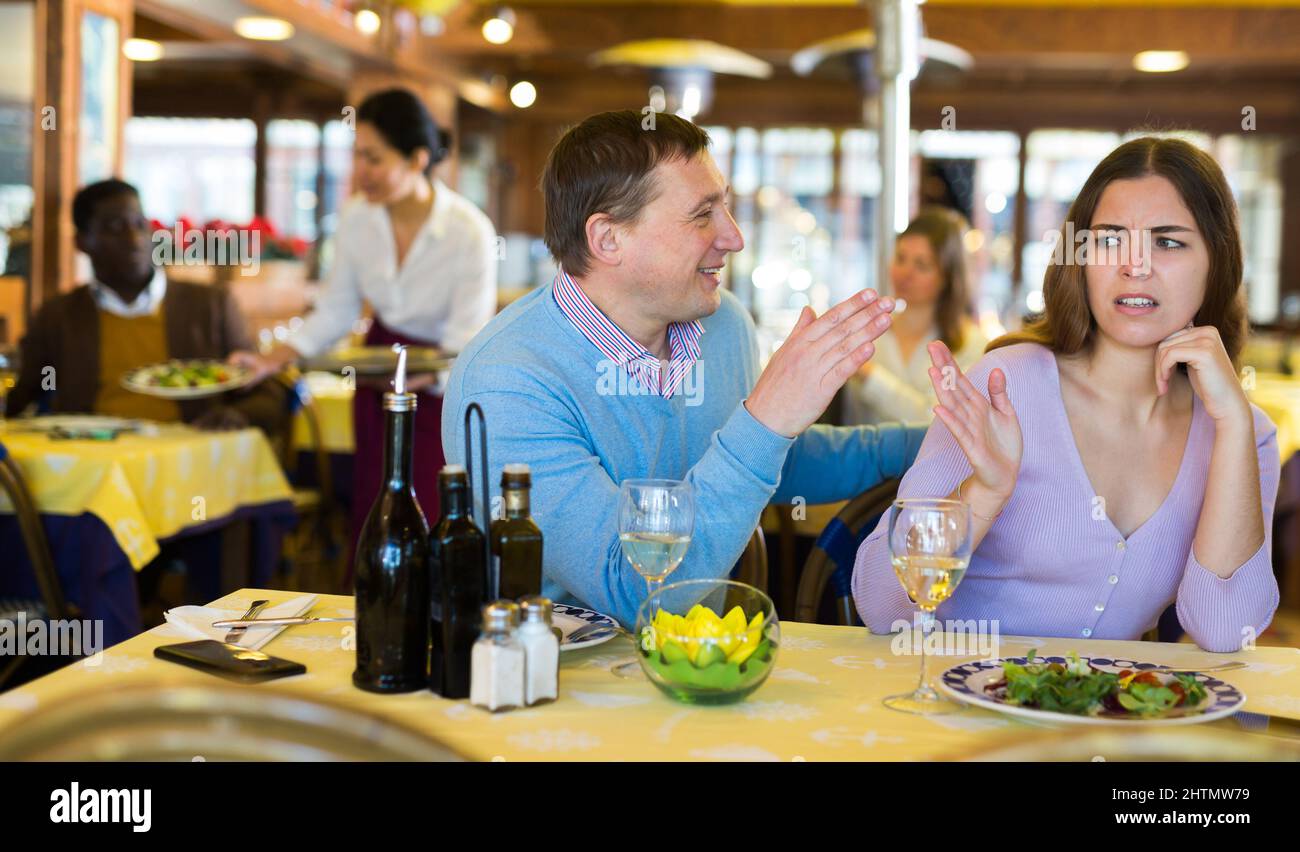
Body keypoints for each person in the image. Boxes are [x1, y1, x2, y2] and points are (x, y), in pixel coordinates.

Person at [443, 110, 926, 627]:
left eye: (727, 207)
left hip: (696, 670)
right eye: (703, 214)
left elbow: (767, 462)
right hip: (554, 688)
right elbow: (637, 593)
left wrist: (936, 443)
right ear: (608, 239)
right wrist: (767, 418)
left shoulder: (724, 326)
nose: (734, 237)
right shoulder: (506, 382)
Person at [853, 137, 1279, 653]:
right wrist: (984, 492)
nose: (1135, 266)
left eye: (1168, 242)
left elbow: (1224, 631)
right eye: (1109, 240)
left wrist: (1233, 425)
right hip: (956, 711)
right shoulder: (1005, 384)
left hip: (1104, 726)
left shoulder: (1242, 432)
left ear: (1218, 261)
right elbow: (879, 605)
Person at [231, 87, 498, 534]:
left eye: (374, 159)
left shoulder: (468, 231)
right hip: (377, 368)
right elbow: (336, 310)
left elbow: (468, 337)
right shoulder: (357, 217)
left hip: (443, 383)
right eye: (357, 156)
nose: (359, 172)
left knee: (432, 506)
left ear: (416, 159)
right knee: (376, 505)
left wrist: (428, 376)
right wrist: (269, 360)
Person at [7, 179, 287, 434]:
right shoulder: (59, 316)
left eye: (139, 224)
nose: (134, 239)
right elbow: (23, 395)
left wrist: (237, 414)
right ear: (83, 243)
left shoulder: (211, 306)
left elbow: (266, 395)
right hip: (96, 463)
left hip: (190, 457)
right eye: (115, 228)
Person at [844, 207, 987, 424]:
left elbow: (938, 421)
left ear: (947, 276)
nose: (905, 273)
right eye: (900, 259)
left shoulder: (972, 345)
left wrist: (870, 376)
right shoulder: (870, 333)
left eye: (922, 265)